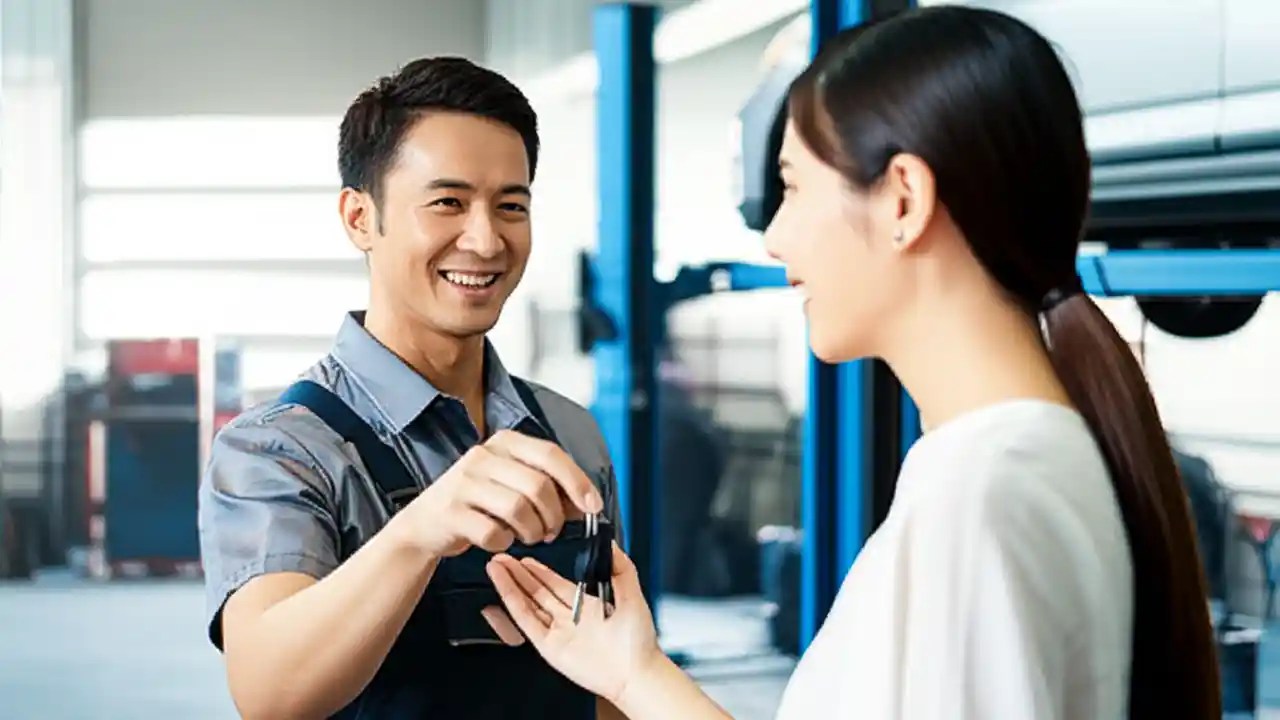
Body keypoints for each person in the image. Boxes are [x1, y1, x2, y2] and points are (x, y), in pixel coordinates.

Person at [482, 6, 1221, 719]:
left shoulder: (980, 494)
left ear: (903, 200)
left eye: (794, 187)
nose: (774, 238)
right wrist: (634, 674)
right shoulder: (1018, 460)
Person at [197, 57, 625, 719]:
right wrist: (420, 531)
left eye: (511, 206)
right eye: (447, 202)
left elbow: (610, 676)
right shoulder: (279, 451)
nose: (485, 240)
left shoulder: (569, 433)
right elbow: (270, 692)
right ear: (360, 218)